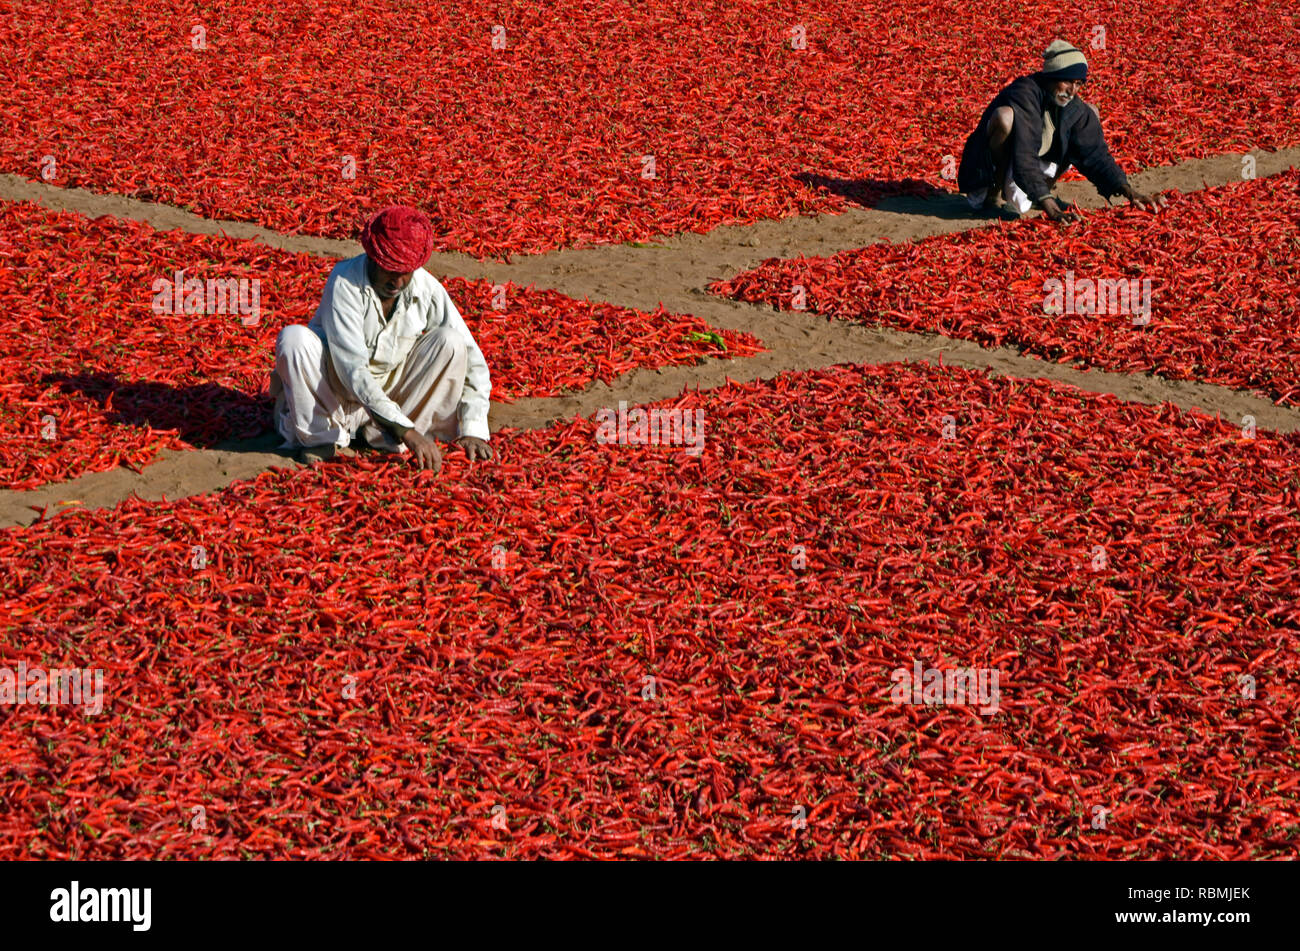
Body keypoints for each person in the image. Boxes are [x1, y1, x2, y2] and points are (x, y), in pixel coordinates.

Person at [271, 205, 493, 472]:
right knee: (294, 339)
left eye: (406, 272)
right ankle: (319, 437)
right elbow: (352, 370)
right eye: (389, 269)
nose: (397, 281)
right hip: (334, 392)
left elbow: (473, 358)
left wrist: (474, 428)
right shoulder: (345, 281)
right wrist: (407, 432)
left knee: (451, 343)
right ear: (372, 258)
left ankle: (381, 435)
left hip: (392, 395)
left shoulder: (426, 287)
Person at [957, 40, 1167, 222]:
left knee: (1089, 114)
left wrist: (1128, 191)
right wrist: (1050, 207)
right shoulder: (1026, 93)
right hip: (1000, 166)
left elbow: (1095, 155)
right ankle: (994, 194)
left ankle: (1040, 192)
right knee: (1004, 117)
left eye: (1078, 84)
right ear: (1051, 76)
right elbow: (1024, 154)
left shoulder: (1073, 105)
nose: (1072, 91)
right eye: (1067, 81)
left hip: (1030, 166)